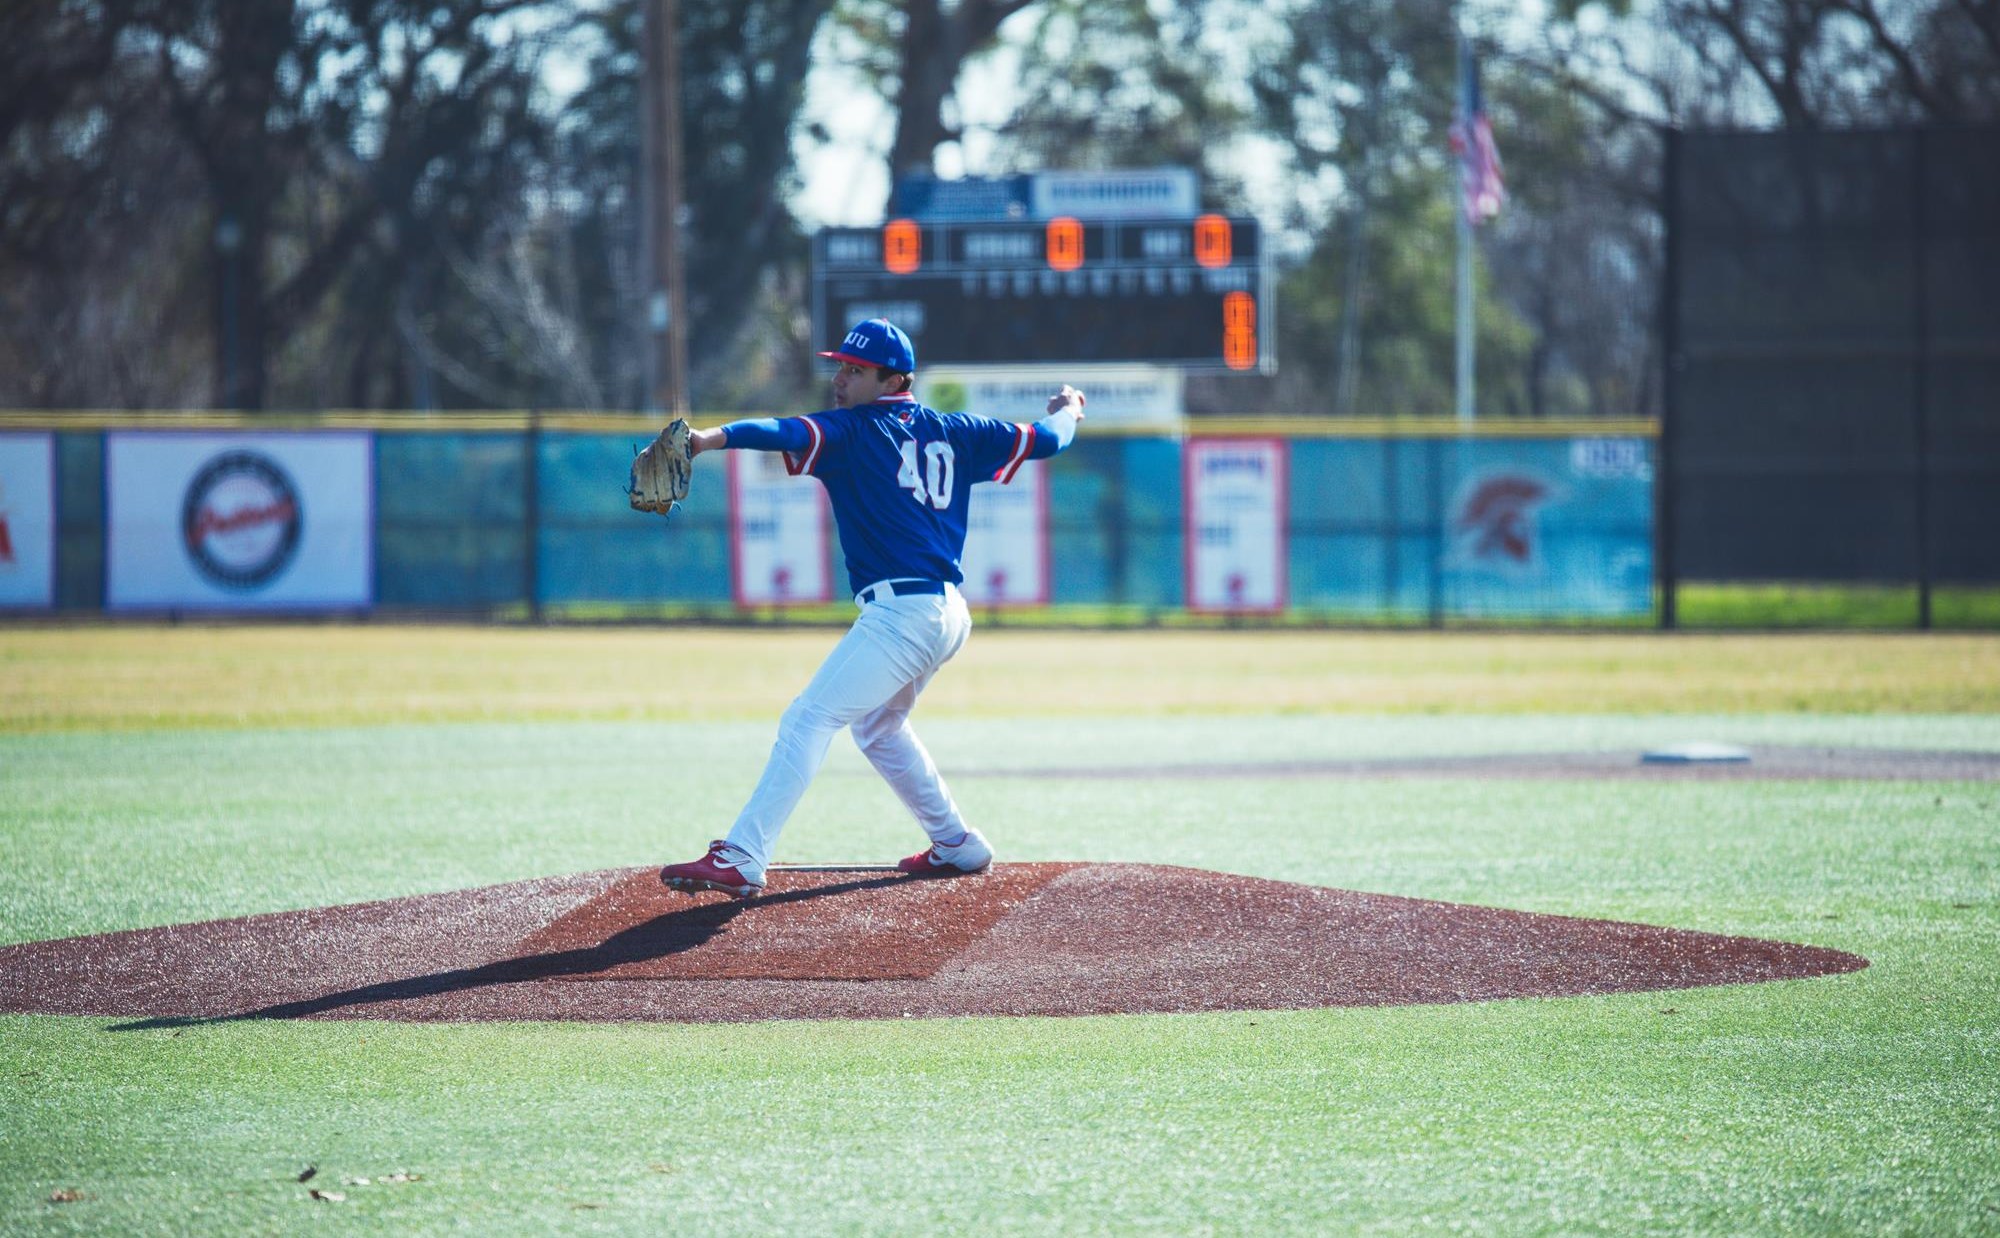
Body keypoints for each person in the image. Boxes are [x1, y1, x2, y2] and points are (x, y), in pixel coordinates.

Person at [660, 318, 1086, 898]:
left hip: (903, 612)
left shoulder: (853, 431)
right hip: (947, 613)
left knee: (808, 719)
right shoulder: (958, 430)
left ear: (893, 379)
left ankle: (742, 855)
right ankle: (957, 842)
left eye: (855, 370)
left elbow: (780, 430)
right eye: (841, 366)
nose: (841, 379)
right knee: (880, 728)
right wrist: (1070, 409)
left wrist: (711, 437)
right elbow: (1048, 439)